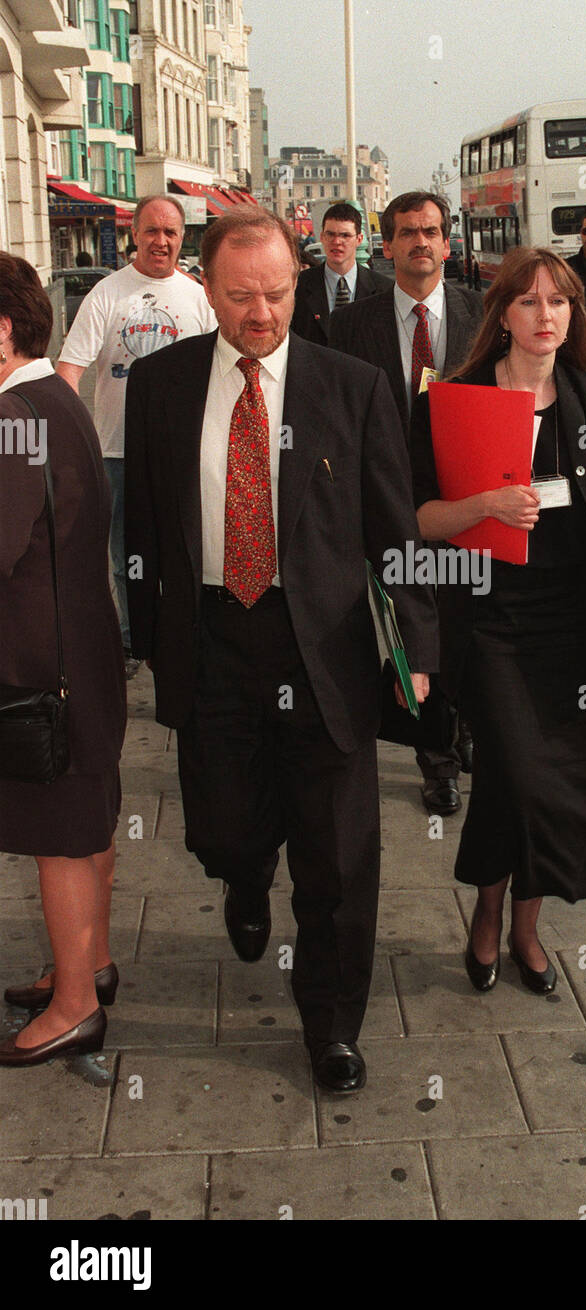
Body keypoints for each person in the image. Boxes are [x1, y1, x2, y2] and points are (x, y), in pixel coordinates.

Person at [124, 209, 438, 1094]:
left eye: (275, 294)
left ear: (297, 284)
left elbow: (394, 526)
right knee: (225, 821)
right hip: (213, 641)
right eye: (238, 295)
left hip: (324, 649)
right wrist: (146, 637)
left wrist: (415, 643)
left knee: (338, 854)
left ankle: (331, 1025)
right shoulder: (161, 385)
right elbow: (143, 520)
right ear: (206, 286)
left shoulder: (352, 387)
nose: (259, 314)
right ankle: (244, 872)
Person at [409, 246, 586, 995]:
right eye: (527, 302)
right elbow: (415, 518)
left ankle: (513, 926)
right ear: (501, 315)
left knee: (543, 779)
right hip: (488, 617)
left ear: (573, 314)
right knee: (521, 773)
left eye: (558, 302)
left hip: (564, 622)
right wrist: (484, 508)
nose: (545, 316)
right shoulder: (454, 396)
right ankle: (496, 920)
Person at [0, 254, 126, 1067]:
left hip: (41, 675)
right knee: (87, 826)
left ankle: (76, 1007)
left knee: (60, 839)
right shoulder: (57, 399)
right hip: (82, 655)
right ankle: (91, 964)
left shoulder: (15, 416)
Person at [329, 191, 482, 816]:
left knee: (466, 629)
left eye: (432, 231)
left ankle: (463, 726)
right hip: (391, 509)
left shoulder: (482, 313)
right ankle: (436, 761)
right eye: (407, 232)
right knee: (417, 632)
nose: (421, 241)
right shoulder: (349, 325)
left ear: (447, 244)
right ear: (385, 246)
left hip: (468, 504)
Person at [55, 196, 215, 680]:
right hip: (117, 451)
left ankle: (191, 632)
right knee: (127, 557)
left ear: (182, 236)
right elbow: (68, 372)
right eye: (151, 231)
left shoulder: (199, 297)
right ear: (134, 234)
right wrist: (72, 442)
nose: (161, 241)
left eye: (170, 232)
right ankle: (132, 639)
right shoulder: (106, 295)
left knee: (191, 549)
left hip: (187, 453)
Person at [291, 202, 389, 344]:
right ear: (322, 237)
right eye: (330, 234)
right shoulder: (297, 286)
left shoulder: (383, 289)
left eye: (345, 235)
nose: (337, 241)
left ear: (359, 240)